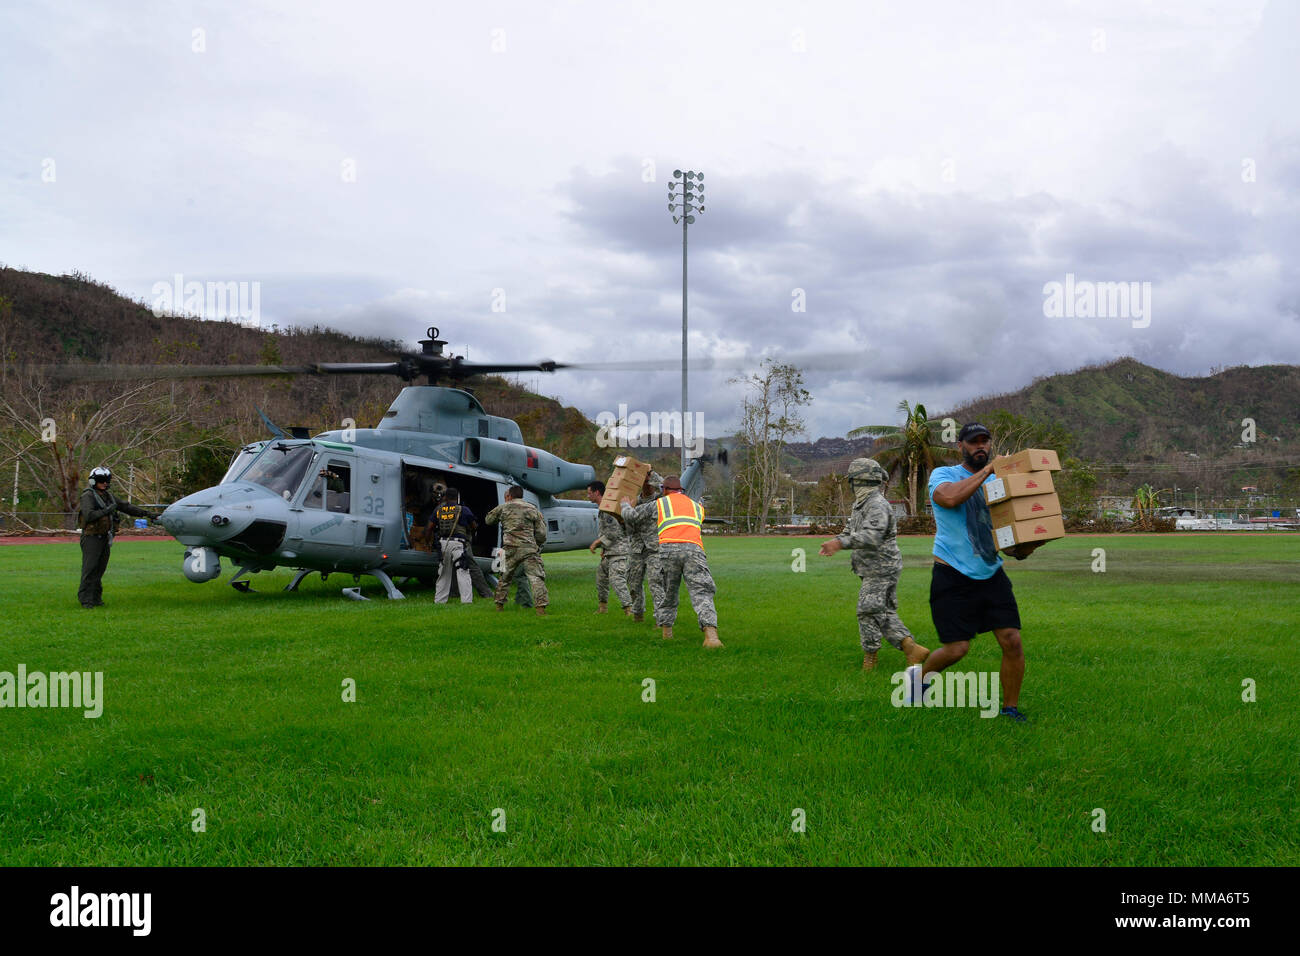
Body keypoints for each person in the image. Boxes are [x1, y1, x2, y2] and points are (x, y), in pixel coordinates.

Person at [909, 423, 1043, 721]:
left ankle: (1010, 709)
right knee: (957, 649)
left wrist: (1028, 545)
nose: (980, 446)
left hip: (991, 573)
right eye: (974, 442)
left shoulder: (1001, 484)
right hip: (952, 575)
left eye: (985, 441)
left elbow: (1007, 545)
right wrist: (988, 472)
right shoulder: (944, 475)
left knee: (1012, 640)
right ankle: (917, 681)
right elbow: (949, 499)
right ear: (961, 446)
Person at [818, 458, 929, 671]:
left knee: (867, 610)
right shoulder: (861, 505)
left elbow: (871, 537)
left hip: (882, 568)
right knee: (881, 610)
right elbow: (851, 530)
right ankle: (912, 649)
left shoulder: (877, 505)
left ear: (859, 481)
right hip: (870, 567)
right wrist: (836, 540)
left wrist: (840, 543)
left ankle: (871, 658)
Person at [624, 474, 722, 648]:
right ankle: (711, 637)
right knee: (701, 592)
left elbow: (631, 516)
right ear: (681, 490)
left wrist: (624, 504)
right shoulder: (697, 506)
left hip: (668, 551)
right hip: (694, 550)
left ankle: (667, 634)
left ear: (663, 490)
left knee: (668, 593)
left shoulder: (659, 503)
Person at [77, 466, 159, 608]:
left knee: (100, 569)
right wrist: (106, 510)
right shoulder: (88, 496)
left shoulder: (108, 496)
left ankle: (96, 598)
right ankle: (85, 599)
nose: (105, 483)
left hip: (104, 537)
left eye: (107, 481)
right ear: (93, 481)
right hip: (91, 537)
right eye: (101, 481)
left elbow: (126, 507)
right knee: (90, 569)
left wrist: (147, 514)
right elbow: (89, 515)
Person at [485, 485, 549, 615]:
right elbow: (542, 533)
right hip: (529, 549)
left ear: (510, 495)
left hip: (509, 549)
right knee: (536, 577)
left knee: (504, 578)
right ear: (521, 495)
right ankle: (540, 609)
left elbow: (488, 520)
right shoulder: (532, 508)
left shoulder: (503, 507)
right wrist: (537, 544)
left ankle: (499, 606)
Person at [622, 472, 665, 623]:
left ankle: (661, 620)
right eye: (645, 483)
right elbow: (628, 527)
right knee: (633, 582)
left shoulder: (661, 500)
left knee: (656, 583)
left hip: (655, 548)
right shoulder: (633, 502)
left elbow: (663, 485)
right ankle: (637, 613)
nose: (648, 486)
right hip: (637, 548)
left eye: (650, 483)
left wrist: (650, 473)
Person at [586, 481, 633, 615]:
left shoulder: (607, 510)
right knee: (601, 578)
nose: (588, 496)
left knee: (616, 580)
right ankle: (603, 608)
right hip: (610, 551)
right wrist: (604, 549)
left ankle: (629, 609)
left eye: (589, 493)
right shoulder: (604, 508)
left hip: (618, 551)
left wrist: (597, 543)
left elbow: (614, 532)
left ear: (597, 492)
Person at [433, 487, 478, 604]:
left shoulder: (439, 510)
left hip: (443, 544)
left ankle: (439, 601)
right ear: (457, 497)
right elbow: (474, 526)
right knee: (462, 571)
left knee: (443, 573)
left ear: (445, 497)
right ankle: (466, 601)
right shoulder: (464, 509)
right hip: (458, 544)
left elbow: (429, 527)